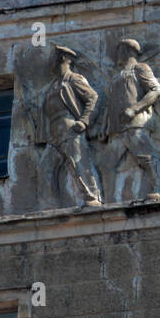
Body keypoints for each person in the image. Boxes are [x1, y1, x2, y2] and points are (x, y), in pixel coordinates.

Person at [41, 44, 103, 207]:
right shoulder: (53, 85)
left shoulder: (73, 79)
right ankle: (50, 204)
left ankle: (93, 196)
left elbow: (93, 97)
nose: (51, 61)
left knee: (79, 162)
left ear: (63, 58)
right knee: (45, 167)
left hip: (69, 127)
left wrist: (84, 121)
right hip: (54, 132)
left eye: (54, 57)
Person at [103, 37, 160, 202]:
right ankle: (105, 199)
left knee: (146, 156)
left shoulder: (140, 68)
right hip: (116, 127)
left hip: (135, 123)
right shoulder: (118, 75)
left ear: (126, 51)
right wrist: (104, 127)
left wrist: (134, 109)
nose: (117, 55)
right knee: (107, 163)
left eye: (119, 50)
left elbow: (155, 91)